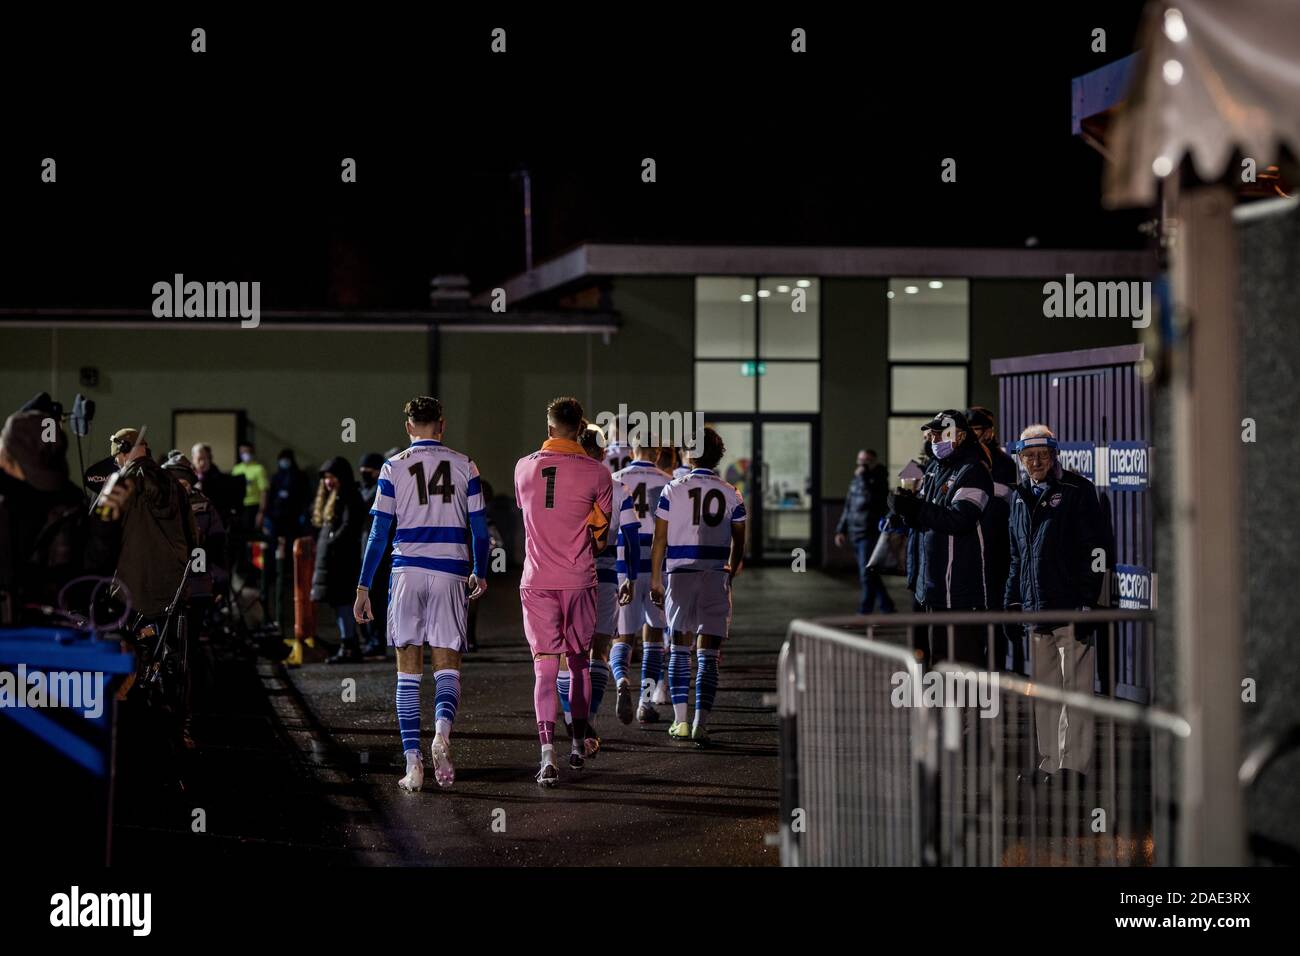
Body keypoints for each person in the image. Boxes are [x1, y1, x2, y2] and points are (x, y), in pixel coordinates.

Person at [354, 397, 489, 792]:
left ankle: (413, 765)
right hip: (450, 570)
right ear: (441, 426)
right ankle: (442, 733)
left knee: (407, 672)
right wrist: (480, 570)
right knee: (447, 664)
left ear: (409, 427)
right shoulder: (466, 464)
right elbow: (480, 530)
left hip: (407, 570)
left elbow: (379, 534)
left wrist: (364, 585)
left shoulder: (393, 467)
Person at [514, 396, 614, 787]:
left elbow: (530, 511)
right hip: (580, 579)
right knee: (579, 664)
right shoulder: (598, 474)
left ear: (550, 427)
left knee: (544, 667)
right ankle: (576, 743)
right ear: (581, 428)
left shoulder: (523, 467)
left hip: (537, 580)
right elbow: (601, 538)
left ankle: (546, 756)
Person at [1004, 425, 1107, 786]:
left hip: (1070, 607)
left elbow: (1097, 549)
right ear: (1019, 459)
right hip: (1037, 610)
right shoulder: (1017, 497)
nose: (1036, 462)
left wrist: (1088, 599)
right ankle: (1049, 762)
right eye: (1029, 456)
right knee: (1045, 691)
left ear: (1055, 455)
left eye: (1042, 455)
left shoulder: (1078, 491)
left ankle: (1074, 766)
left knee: (1075, 690)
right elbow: (1016, 557)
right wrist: (1011, 602)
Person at [649, 426, 747, 745]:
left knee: (679, 647)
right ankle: (700, 722)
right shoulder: (732, 492)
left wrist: (655, 578)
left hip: (680, 574)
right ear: (718, 455)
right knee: (709, 652)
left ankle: (679, 721)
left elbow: (660, 539)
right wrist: (729, 571)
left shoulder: (672, 489)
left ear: (689, 454)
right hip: (715, 572)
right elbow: (740, 540)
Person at [554, 424, 637, 752]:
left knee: (568, 652)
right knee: (600, 649)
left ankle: (570, 714)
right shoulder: (618, 487)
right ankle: (586, 720)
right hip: (604, 576)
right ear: (604, 453)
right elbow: (630, 534)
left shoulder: (561, 483)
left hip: (568, 575)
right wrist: (628, 574)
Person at [889, 410, 994, 668]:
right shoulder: (936, 468)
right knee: (939, 663)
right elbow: (927, 513)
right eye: (933, 434)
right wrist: (906, 511)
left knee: (962, 664)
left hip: (959, 589)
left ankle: (968, 710)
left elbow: (960, 520)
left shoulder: (973, 470)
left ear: (959, 436)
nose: (935, 439)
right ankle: (943, 708)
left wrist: (917, 510)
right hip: (934, 587)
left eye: (941, 434)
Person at [0, 410, 120, 624]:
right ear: (6, 458)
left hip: (49, 632)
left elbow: (85, 579)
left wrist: (104, 524)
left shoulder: (69, 502)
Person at [162, 451, 226, 749]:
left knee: (183, 653)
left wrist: (218, 583)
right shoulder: (198, 504)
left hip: (186, 589)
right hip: (185, 589)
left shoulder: (169, 503)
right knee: (183, 652)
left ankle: (183, 720)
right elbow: (218, 546)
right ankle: (182, 719)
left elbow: (217, 547)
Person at [612, 437, 673, 723]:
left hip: (624, 564)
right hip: (656, 565)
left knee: (623, 636)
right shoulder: (668, 482)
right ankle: (646, 702)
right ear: (657, 453)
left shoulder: (615, 479)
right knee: (654, 635)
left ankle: (622, 679)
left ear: (632, 450)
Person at [108, 428, 195, 623]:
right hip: (171, 588)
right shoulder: (175, 484)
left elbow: (104, 535)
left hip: (131, 589)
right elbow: (192, 534)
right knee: (169, 649)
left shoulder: (122, 484)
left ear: (123, 450)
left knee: (131, 649)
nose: (117, 464)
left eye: (117, 459)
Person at [968, 407, 1017, 667]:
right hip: (969, 549)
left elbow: (1004, 501)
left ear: (989, 431)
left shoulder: (1003, 463)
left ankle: (994, 671)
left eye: (975, 430)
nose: (971, 436)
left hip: (996, 547)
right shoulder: (963, 460)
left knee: (994, 613)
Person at [310, 456, 365, 663]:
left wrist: (332, 542)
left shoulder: (348, 497)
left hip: (342, 562)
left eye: (332, 477)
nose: (328, 481)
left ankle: (349, 645)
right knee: (339, 603)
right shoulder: (336, 497)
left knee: (343, 603)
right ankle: (348, 643)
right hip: (334, 561)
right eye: (325, 478)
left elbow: (349, 526)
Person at [834, 448, 896, 615]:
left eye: (866, 460)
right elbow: (849, 505)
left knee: (866, 574)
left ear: (874, 461)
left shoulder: (879, 479)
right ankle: (887, 606)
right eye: (860, 460)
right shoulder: (856, 479)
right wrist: (841, 530)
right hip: (855, 531)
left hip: (869, 533)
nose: (862, 464)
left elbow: (874, 500)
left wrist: (863, 477)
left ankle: (865, 611)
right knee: (870, 573)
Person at [264, 448, 312, 632]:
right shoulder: (277, 477)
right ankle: (279, 571)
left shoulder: (299, 477)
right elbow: (271, 499)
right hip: (278, 524)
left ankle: (288, 572)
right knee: (278, 555)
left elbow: (304, 498)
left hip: (293, 524)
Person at [355, 451, 391, 657]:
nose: (364, 473)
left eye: (368, 470)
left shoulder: (381, 489)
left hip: (379, 552)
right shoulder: (365, 489)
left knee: (376, 596)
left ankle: (377, 639)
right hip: (365, 549)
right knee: (368, 595)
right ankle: (369, 638)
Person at [231, 442, 269, 537]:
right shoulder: (237, 469)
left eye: (246, 452)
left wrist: (261, 512)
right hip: (239, 508)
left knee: (251, 537)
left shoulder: (259, 469)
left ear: (252, 452)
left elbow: (264, 491)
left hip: (253, 507)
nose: (245, 454)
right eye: (242, 452)